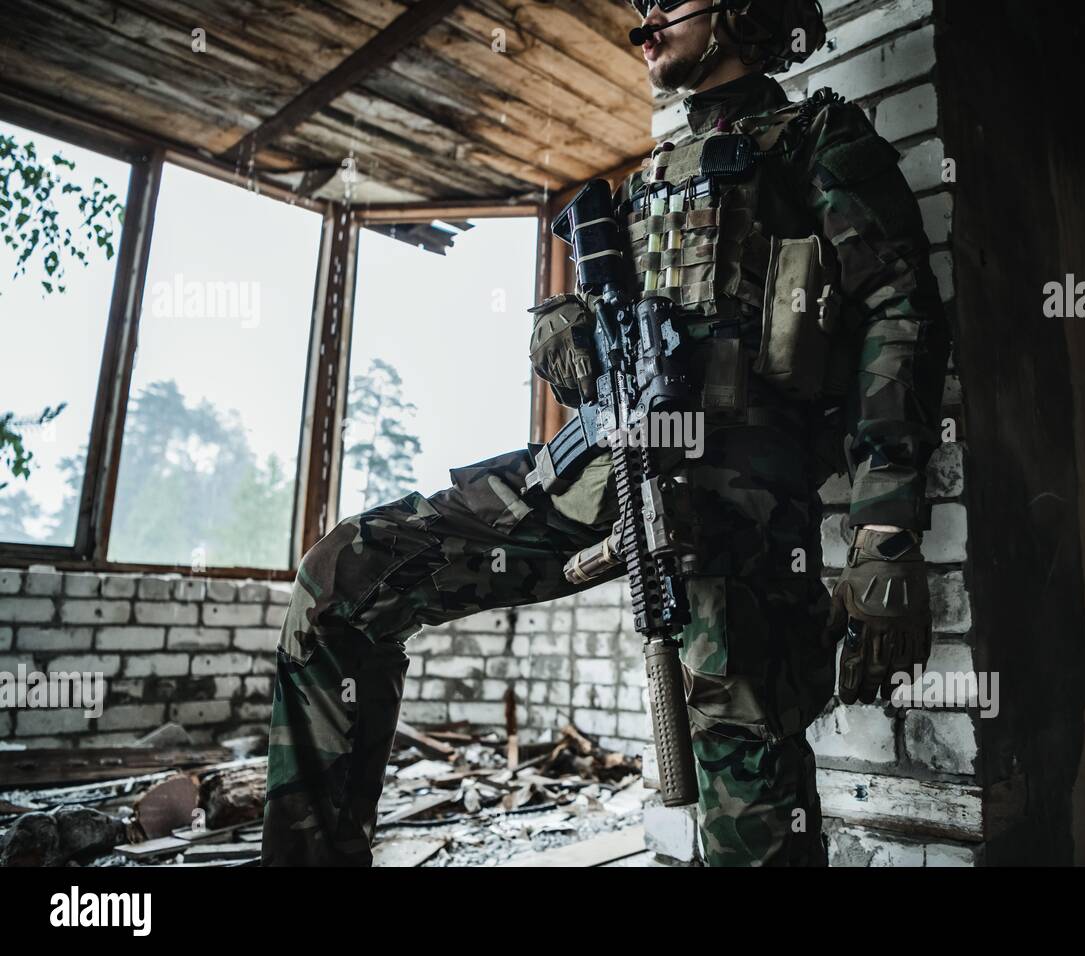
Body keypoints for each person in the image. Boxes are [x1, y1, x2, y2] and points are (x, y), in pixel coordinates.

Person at [261, 0, 950, 867]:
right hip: (599, 462)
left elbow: (900, 309)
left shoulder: (817, 137)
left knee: (743, 770)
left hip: (731, 497)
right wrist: (561, 322)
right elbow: (611, 311)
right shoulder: (652, 173)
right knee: (341, 581)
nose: (648, 14)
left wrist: (886, 524)